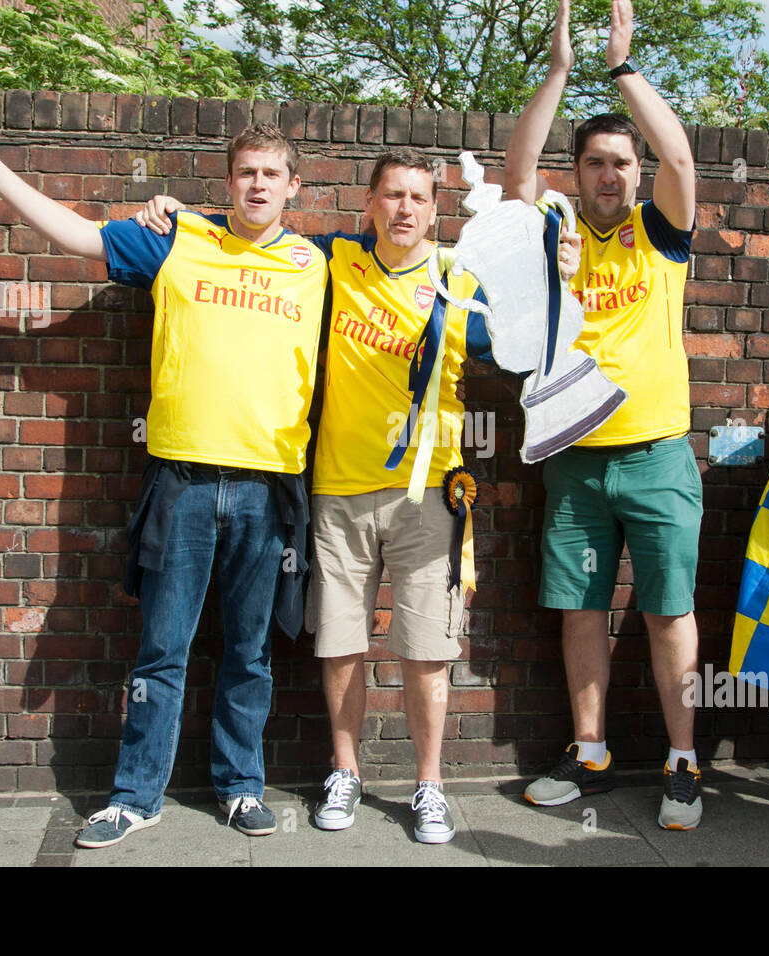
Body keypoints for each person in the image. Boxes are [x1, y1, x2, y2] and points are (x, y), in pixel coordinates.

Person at [141, 147, 583, 843]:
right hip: (338, 492)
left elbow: (531, 342)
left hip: (428, 496)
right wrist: (180, 215)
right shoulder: (332, 261)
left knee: (424, 649)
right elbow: (255, 232)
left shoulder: (459, 280)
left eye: (417, 198)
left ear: (435, 210)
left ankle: (429, 785)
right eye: (392, 195)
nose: (404, 208)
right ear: (370, 203)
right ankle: (344, 773)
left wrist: (553, 277)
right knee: (342, 645)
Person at [0, 122, 328, 847]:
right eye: (245, 172)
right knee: (161, 651)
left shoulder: (320, 262)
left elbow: (410, 262)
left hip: (269, 489)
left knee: (250, 652)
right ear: (228, 180)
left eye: (271, 175)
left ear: (293, 187)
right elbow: (80, 237)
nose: (257, 185)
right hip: (180, 482)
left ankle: (241, 787)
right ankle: (136, 794)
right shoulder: (177, 238)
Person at [501, 0, 704, 829]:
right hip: (575, 457)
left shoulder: (662, 234)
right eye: (595, 163)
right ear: (577, 171)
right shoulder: (552, 230)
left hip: (656, 454)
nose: (611, 175)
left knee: (668, 611)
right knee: (581, 608)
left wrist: (622, 66)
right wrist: (557, 70)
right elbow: (517, 178)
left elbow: (682, 155)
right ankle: (588, 749)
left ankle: (683, 760)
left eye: (622, 161)